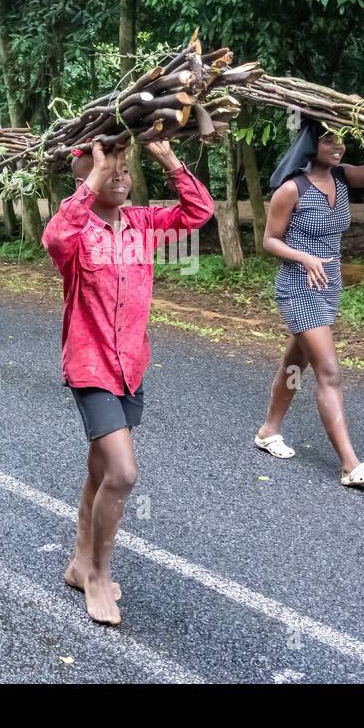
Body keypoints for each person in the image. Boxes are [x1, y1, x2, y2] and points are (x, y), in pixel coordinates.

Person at [42, 137, 214, 626]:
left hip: (131, 365)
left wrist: (168, 160)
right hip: (90, 366)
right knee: (123, 473)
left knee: (100, 469)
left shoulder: (142, 224)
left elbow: (198, 212)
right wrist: (93, 174)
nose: (119, 177)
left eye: (124, 169)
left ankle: (78, 562)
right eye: (107, 170)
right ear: (86, 177)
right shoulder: (75, 229)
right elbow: (55, 239)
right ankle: (99, 574)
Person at [254, 118, 364, 489]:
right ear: (310, 144)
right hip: (298, 286)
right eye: (328, 139)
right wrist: (304, 257)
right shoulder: (291, 189)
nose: (338, 146)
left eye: (343, 140)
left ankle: (268, 430)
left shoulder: (343, 177)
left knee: (295, 362)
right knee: (328, 370)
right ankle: (350, 465)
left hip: (329, 288)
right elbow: (269, 241)